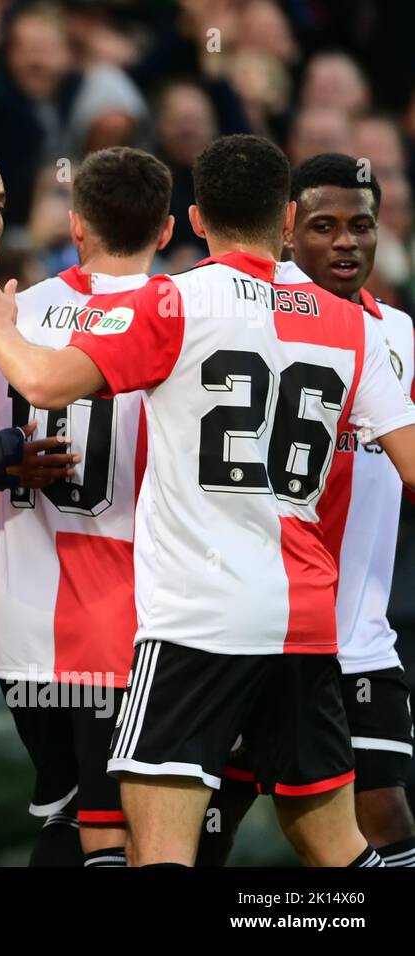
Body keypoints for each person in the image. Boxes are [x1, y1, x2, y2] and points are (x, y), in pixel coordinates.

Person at [0, 134, 415, 867]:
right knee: (339, 848)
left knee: (159, 847)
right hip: (305, 619)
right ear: (286, 220)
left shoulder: (178, 300)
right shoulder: (353, 325)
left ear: (195, 220)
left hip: (198, 616)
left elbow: (41, 384)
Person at [202, 153, 415, 867]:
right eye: (324, 226)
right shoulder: (247, 318)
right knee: (205, 826)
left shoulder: (400, 335)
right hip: (253, 626)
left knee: (383, 817)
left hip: (357, 636)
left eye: (361, 225)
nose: (347, 242)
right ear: (289, 229)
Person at [0, 147, 173, 867]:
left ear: (75, 224)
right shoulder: (179, 320)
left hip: (18, 614)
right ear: (165, 230)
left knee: (62, 811)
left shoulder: (9, 314)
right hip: (125, 615)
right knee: (113, 831)